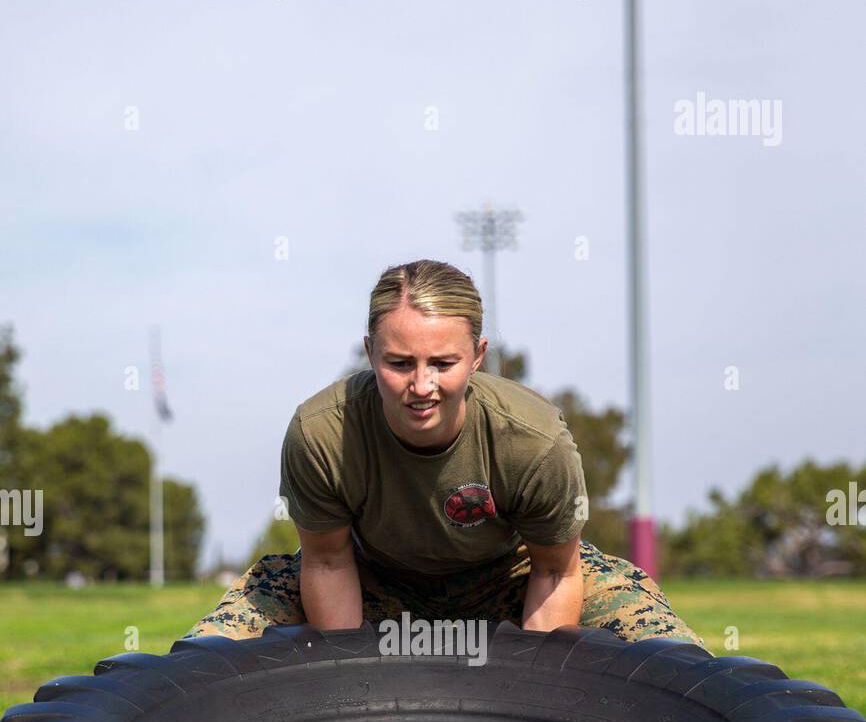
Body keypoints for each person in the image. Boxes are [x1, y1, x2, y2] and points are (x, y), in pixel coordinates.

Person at [183, 259, 702, 647]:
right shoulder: (322, 434)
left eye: (443, 362)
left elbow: (555, 573)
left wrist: (535, 699)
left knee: (677, 659)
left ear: (478, 356)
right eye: (400, 363)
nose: (422, 385)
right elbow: (326, 560)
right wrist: (346, 690)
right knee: (204, 658)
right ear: (369, 353)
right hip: (372, 579)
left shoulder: (533, 439)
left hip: (512, 580)